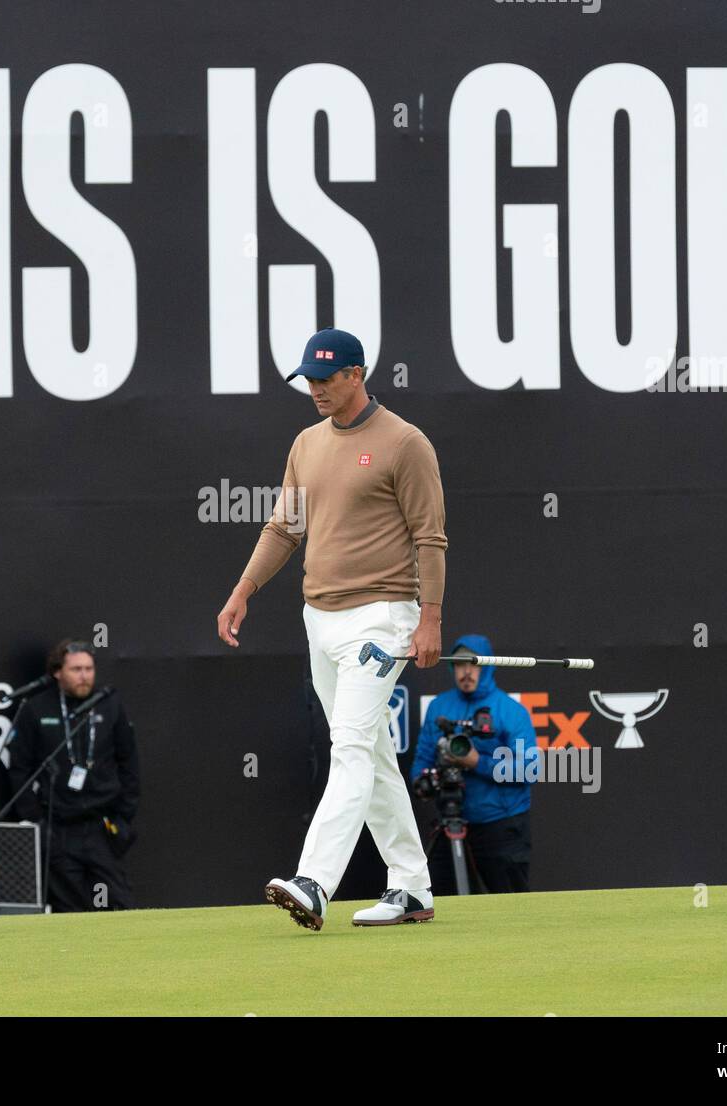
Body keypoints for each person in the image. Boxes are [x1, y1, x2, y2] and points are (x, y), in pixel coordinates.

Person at [216, 327, 447, 931]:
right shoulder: (306, 443)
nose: (315, 389)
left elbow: (430, 538)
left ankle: (313, 882)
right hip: (319, 618)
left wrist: (430, 620)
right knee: (371, 753)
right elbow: (284, 529)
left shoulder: (405, 443)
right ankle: (413, 888)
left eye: (325, 379)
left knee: (348, 749)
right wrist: (244, 591)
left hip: (383, 617)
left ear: (356, 374)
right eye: (308, 380)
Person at [6, 639, 140, 911]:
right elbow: (19, 768)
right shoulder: (36, 708)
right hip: (59, 827)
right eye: (76, 669)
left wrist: (123, 814)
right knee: (69, 909)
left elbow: (129, 761)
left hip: (101, 825)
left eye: (89, 669)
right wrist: (37, 821)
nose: (84, 676)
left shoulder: (108, 703)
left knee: (121, 903)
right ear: (57, 672)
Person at [410, 634, 537, 893]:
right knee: (441, 904)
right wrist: (422, 779)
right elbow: (422, 757)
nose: (466, 672)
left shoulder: (511, 712)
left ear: (487, 666)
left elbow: (528, 769)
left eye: (473, 663)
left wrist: (477, 761)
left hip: (500, 825)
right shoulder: (439, 707)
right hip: (450, 822)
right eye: (459, 664)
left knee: (510, 905)